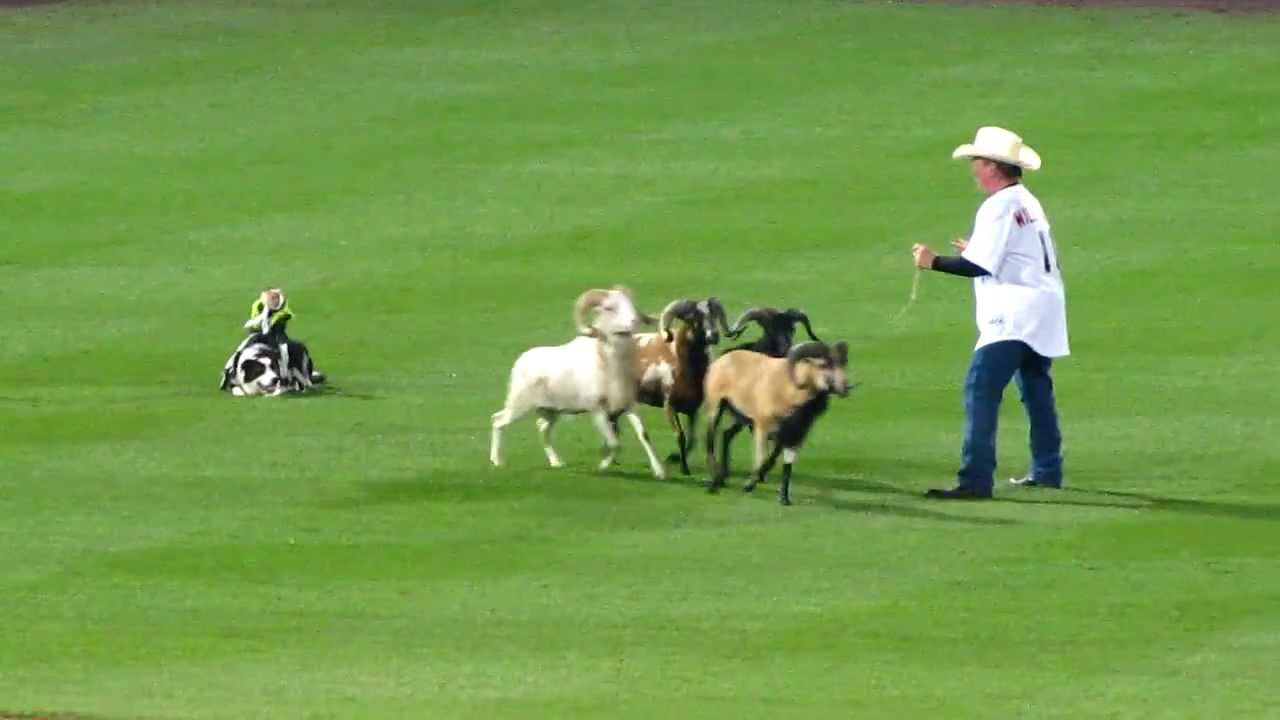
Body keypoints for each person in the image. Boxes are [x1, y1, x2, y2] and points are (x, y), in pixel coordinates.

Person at [911, 127, 1070, 500]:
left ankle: (975, 479)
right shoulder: (1026, 200)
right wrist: (977, 249)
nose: (973, 170)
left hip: (1014, 312)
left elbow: (978, 266)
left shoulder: (998, 205)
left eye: (977, 162)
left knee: (980, 388)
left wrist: (932, 261)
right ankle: (1048, 469)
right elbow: (1014, 251)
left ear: (993, 167)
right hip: (1044, 307)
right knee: (1035, 387)